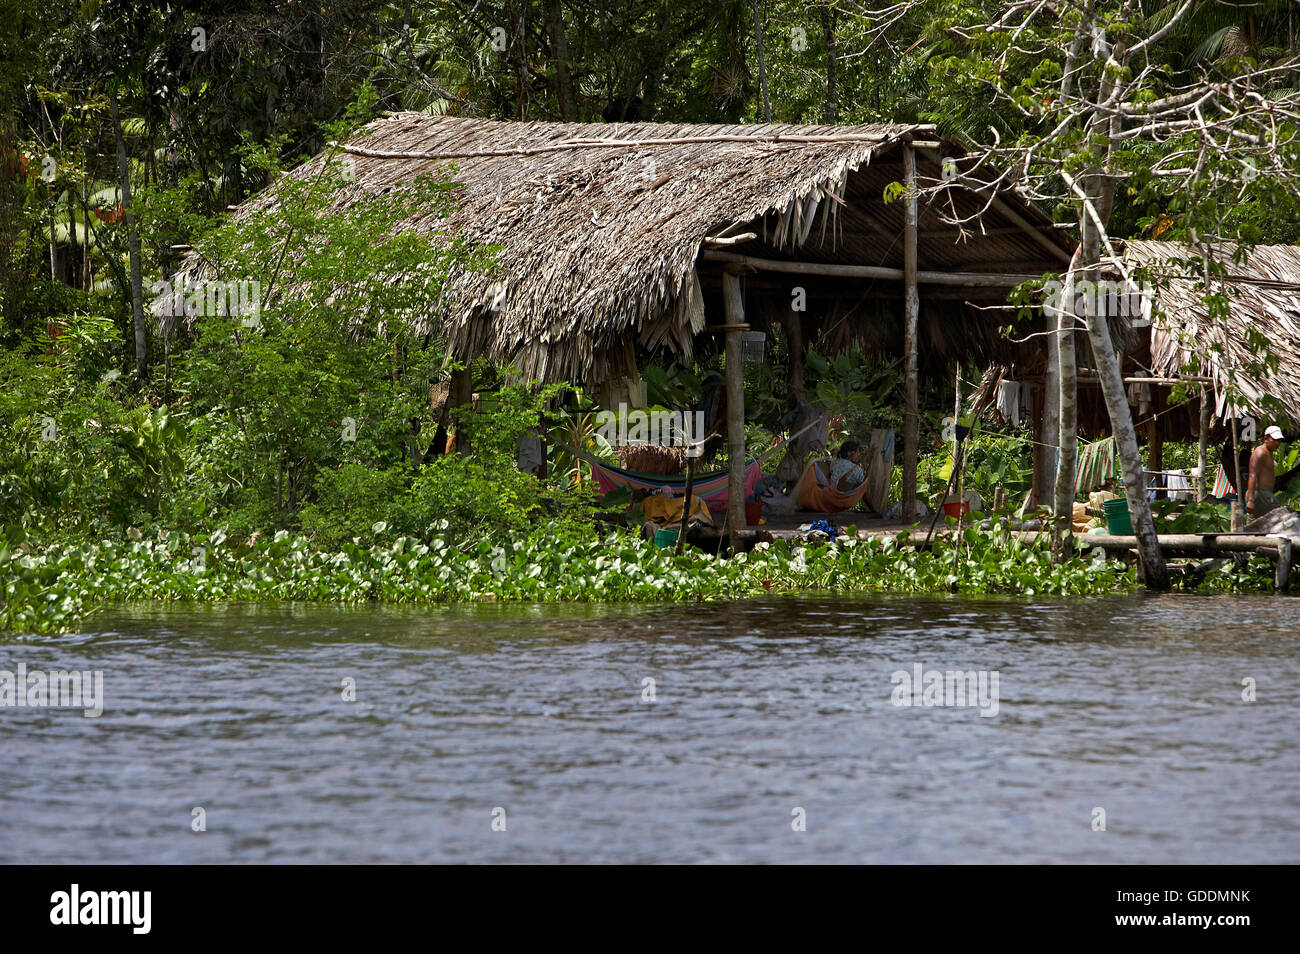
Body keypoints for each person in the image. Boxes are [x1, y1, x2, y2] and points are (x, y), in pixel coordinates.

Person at [1246, 425, 1285, 515]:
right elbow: (1252, 475)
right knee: (1277, 519)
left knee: (1264, 525)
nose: (1277, 443)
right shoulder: (1260, 452)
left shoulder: (1269, 453)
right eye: (1274, 440)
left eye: (1279, 440)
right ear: (1266, 438)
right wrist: (1251, 500)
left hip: (1265, 495)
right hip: (1260, 494)